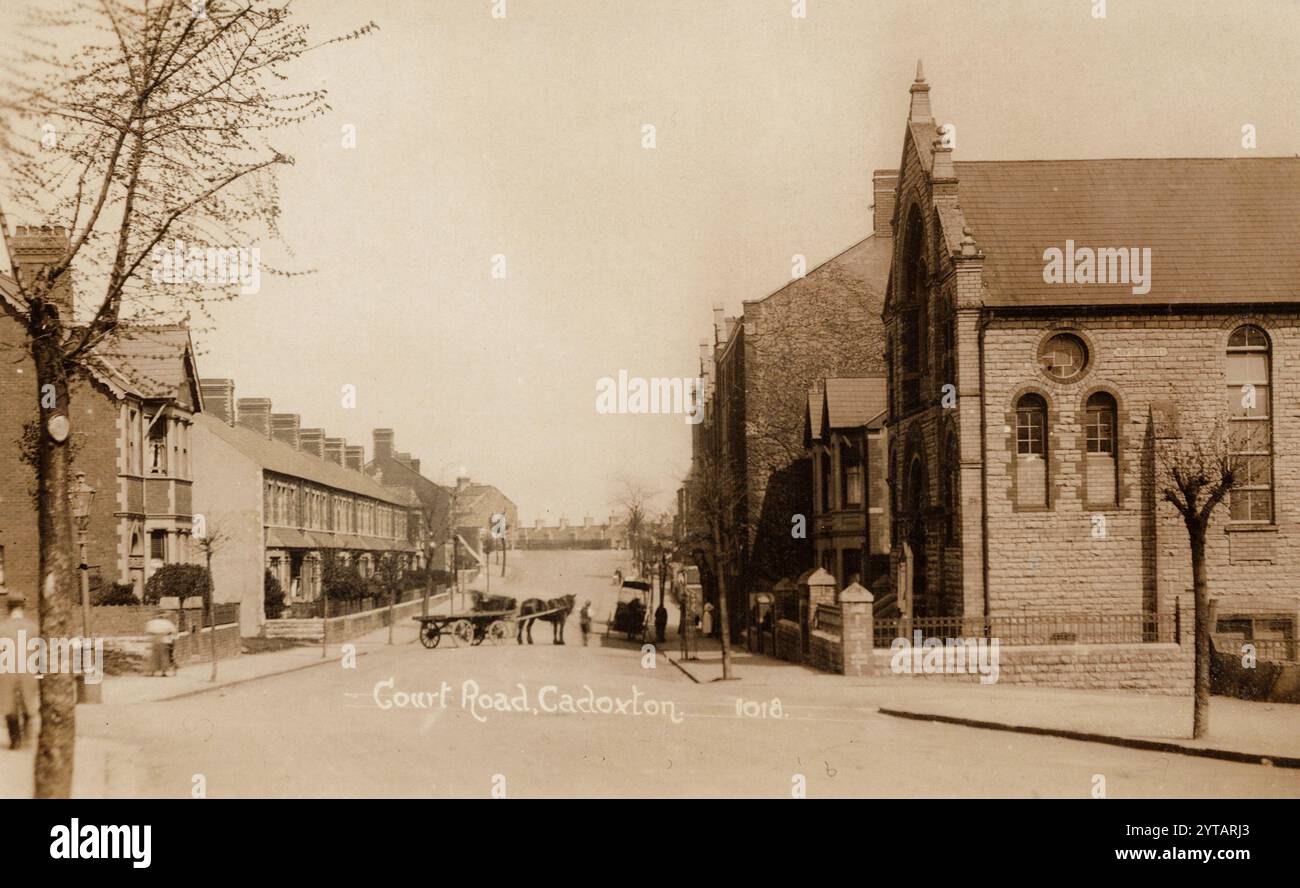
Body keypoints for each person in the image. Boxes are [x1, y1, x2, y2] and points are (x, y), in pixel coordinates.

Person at [0, 598, 40, 749]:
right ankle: (27, 739)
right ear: (23, 608)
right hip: (27, 671)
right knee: (28, 704)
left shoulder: (2, 627)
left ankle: (15, 740)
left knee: (9, 705)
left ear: (8, 609)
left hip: (6, 671)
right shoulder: (33, 627)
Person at [145, 611, 178, 677]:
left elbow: (148, 631)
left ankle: (153, 671)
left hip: (155, 640)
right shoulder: (167, 623)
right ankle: (164, 671)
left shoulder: (152, 622)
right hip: (164, 640)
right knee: (164, 656)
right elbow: (174, 631)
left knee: (155, 656)